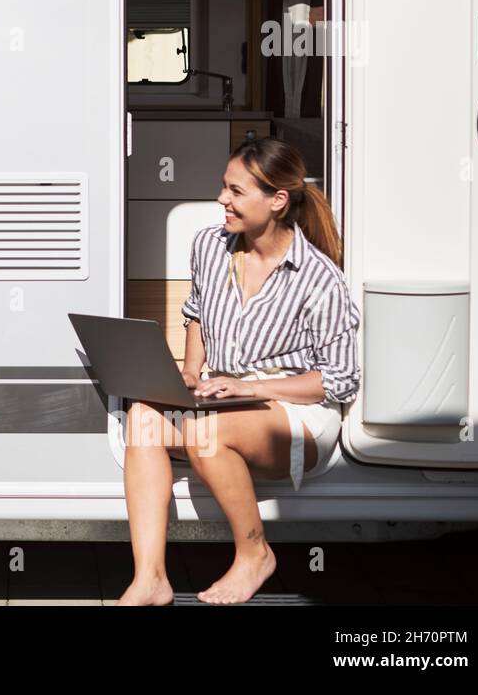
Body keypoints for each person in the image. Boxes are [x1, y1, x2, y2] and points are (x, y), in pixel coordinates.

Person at [118, 136, 361, 606]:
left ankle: (255, 555)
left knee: (204, 431)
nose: (221, 200)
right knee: (143, 418)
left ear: (277, 201)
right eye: (223, 187)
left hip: (298, 412)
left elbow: (337, 380)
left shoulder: (319, 277)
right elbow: (196, 313)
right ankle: (150, 578)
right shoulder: (210, 245)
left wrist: (250, 386)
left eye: (235, 191)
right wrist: (190, 372)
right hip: (225, 395)